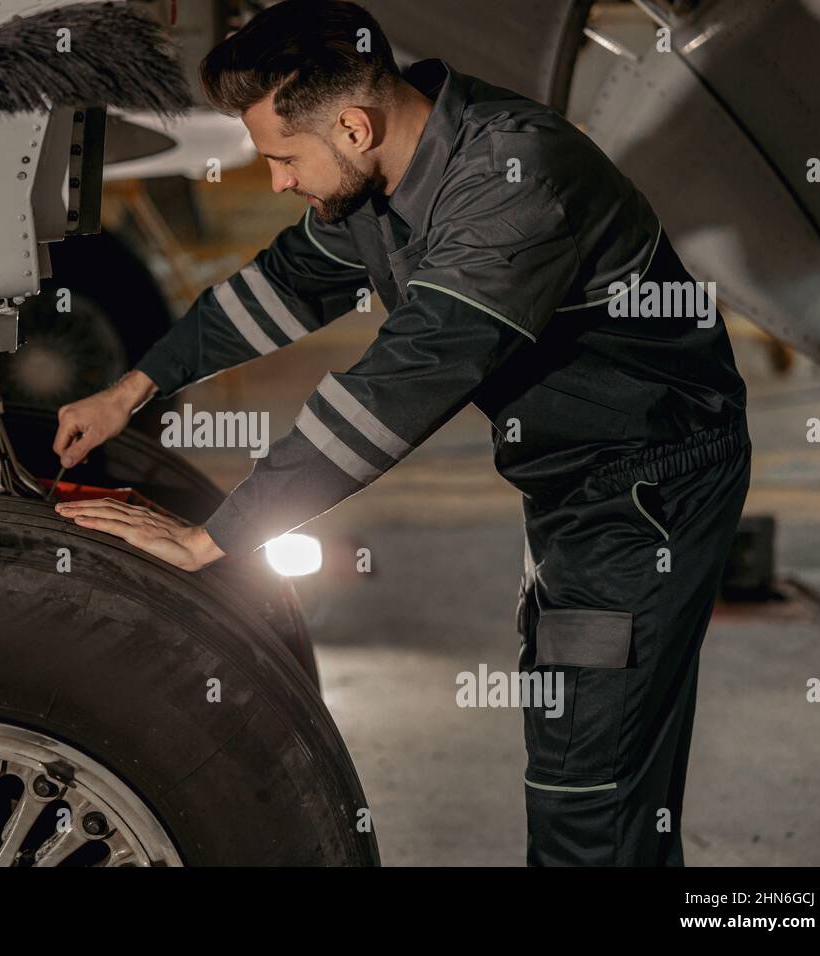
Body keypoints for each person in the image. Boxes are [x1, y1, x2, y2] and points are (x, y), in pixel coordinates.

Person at [51, 0, 750, 865]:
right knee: (608, 769)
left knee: (586, 791)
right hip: (577, 483)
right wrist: (131, 388)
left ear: (350, 125)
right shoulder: (388, 170)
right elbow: (282, 286)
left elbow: (397, 389)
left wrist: (216, 537)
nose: (273, 182)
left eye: (281, 157)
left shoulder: (512, 183)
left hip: (646, 493)